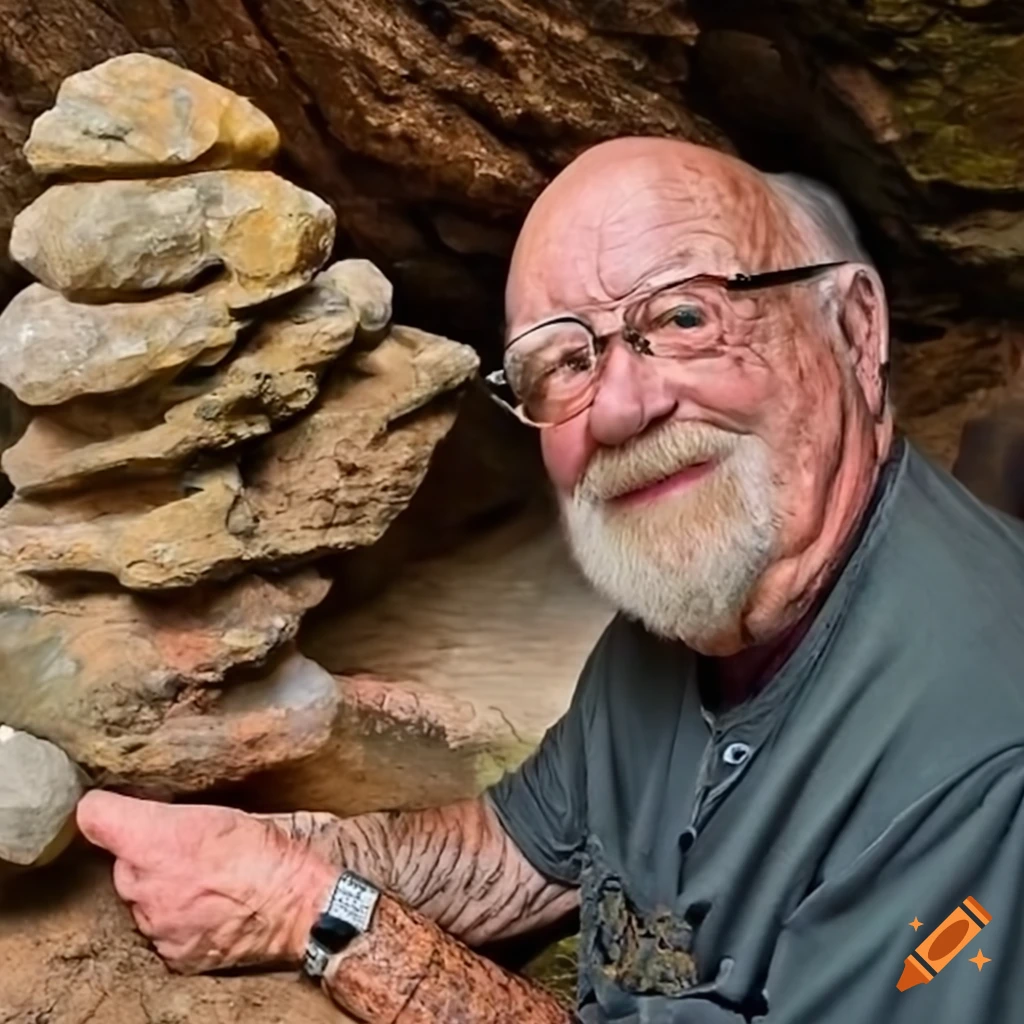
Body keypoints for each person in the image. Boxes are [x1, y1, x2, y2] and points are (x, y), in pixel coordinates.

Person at [77, 138, 1024, 1023]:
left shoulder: (981, 748)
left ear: (856, 331)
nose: (616, 406)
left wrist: (320, 915)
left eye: (685, 317)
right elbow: (519, 852)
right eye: (563, 361)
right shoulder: (692, 618)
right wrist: (273, 856)